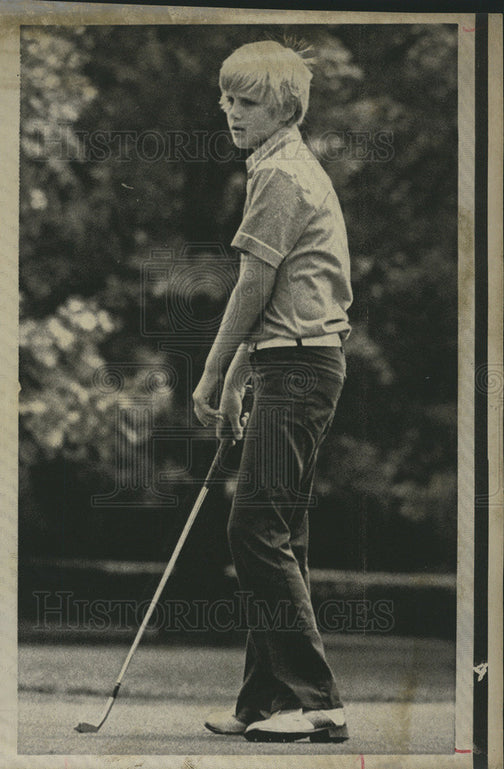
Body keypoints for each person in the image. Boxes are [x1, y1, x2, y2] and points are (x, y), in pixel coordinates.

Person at [192, 40, 353, 743]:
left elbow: (254, 285)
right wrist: (234, 383)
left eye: (247, 100)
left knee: (253, 526)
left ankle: (315, 701)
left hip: (298, 365)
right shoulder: (278, 165)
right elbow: (271, 298)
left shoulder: (282, 174)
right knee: (279, 531)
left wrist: (209, 369)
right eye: (227, 96)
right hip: (289, 362)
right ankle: (265, 699)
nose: (230, 110)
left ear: (283, 107)